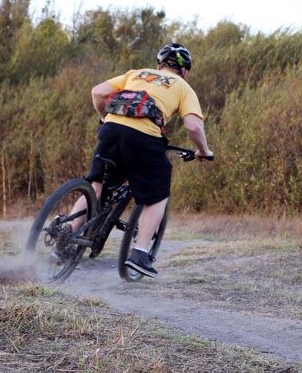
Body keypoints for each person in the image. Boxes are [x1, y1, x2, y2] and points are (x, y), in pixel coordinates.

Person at [77, 43, 213, 278]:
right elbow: (193, 126)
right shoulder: (183, 87)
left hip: (110, 130)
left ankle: (64, 238)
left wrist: (104, 120)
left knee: (97, 185)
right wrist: (204, 151)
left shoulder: (135, 74)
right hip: (145, 138)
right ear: (185, 72)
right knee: (158, 192)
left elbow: (98, 92)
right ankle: (140, 253)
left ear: (158, 65)